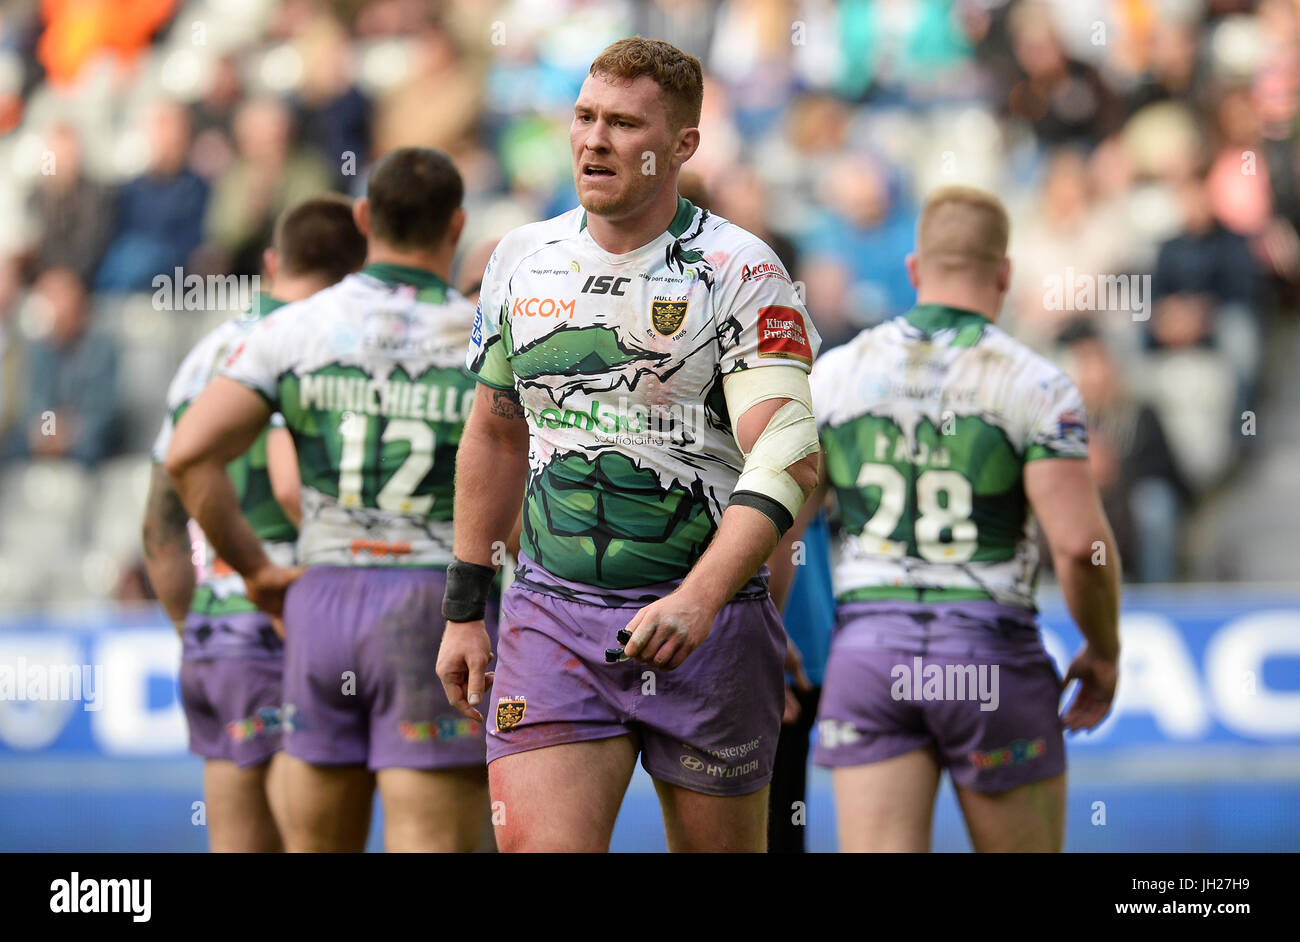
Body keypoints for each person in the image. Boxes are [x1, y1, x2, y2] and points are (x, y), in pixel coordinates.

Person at [437, 37, 822, 853]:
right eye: (583, 116)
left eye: (622, 123)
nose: (593, 140)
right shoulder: (520, 259)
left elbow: (791, 455)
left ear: (682, 144)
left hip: (709, 626)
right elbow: (496, 435)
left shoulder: (741, 270)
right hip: (550, 621)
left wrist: (703, 597)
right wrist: (466, 608)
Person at [165, 147, 494, 853]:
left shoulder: (292, 329)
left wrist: (254, 569)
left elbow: (189, 456)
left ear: (366, 216)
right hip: (435, 610)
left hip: (321, 603)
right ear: (456, 225)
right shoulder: (483, 337)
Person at [773, 185, 1120, 852]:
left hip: (870, 658)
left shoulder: (836, 376)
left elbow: (781, 525)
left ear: (913, 270)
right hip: (989, 656)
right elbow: (1079, 546)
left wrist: (767, 632)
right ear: (1005, 273)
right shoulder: (1035, 384)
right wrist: (1103, 649)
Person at [142, 193, 365, 852]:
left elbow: (158, 524)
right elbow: (292, 483)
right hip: (294, 610)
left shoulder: (206, 353)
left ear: (272, 261)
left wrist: (195, 627)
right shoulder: (322, 344)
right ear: (356, 271)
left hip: (219, 617)